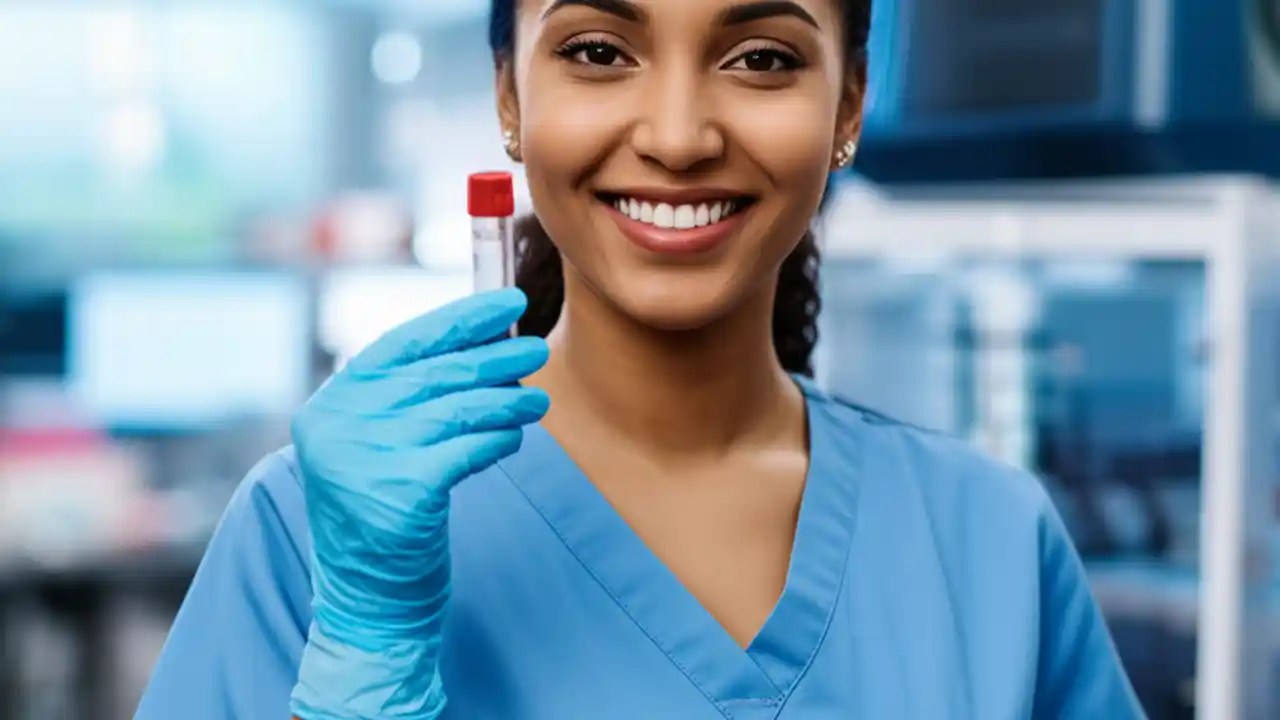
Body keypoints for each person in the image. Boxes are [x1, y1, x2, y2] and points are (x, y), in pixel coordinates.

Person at [137, 1, 1146, 718]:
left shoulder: (988, 541)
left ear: (846, 108)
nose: (675, 136)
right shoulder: (315, 537)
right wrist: (366, 661)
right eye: (594, 49)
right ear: (508, 99)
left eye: (758, 58)